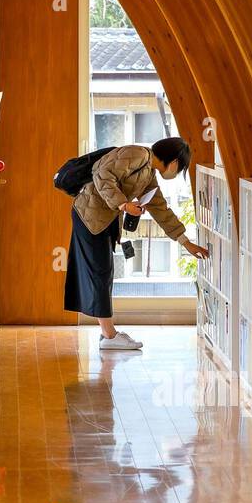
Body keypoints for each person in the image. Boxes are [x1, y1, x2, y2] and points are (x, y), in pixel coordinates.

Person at [65, 136, 209, 351]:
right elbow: (102, 174)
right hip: (90, 216)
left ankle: (108, 334)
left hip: (104, 218)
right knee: (100, 272)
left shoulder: (148, 174)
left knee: (102, 272)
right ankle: (109, 336)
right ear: (174, 162)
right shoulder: (138, 155)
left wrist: (186, 242)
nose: (176, 173)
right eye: (180, 169)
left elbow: (161, 210)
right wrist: (123, 204)